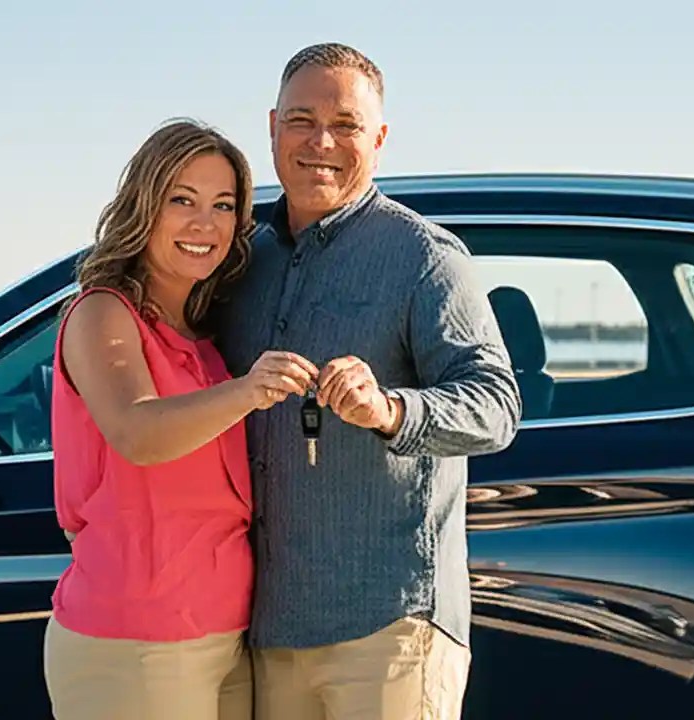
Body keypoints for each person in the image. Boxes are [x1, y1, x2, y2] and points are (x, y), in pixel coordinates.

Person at [211, 43, 523, 719]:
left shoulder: (423, 258)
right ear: (271, 128)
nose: (321, 141)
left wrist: (390, 408)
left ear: (378, 140)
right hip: (267, 632)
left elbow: (496, 406)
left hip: (389, 630)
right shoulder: (242, 264)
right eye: (300, 119)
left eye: (346, 124)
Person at [44, 118, 319, 720]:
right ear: (144, 205)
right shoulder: (101, 315)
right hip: (135, 641)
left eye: (223, 205)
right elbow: (138, 433)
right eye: (182, 200)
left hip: (224, 634)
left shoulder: (200, 340)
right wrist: (249, 391)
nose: (205, 223)